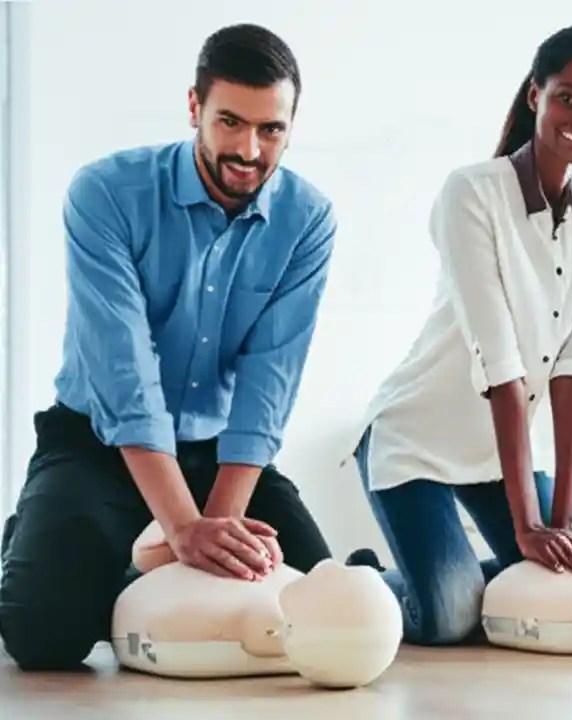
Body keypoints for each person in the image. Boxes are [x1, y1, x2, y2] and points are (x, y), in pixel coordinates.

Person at [0, 24, 336, 671]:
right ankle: (43, 546)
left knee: (313, 603)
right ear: (194, 108)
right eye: (230, 121)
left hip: (218, 456)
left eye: (271, 130)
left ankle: (129, 565)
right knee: (44, 635)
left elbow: (270, 381)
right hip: (96, 445)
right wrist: (182, 532)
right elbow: (125, 375)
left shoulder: (308, 219)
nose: (248, 149)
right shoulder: (105, 193)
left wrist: (216, 530)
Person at [345, 26, 572, 646]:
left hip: (500, 458)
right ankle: (368, 584)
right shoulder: (470, 191)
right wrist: (528, 526)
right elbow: (498, 360)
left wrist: (564, 521)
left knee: (561, 588)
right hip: (415, 440)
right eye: (568, 98)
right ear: (535, 96)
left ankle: (449, 577)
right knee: (448, 618)